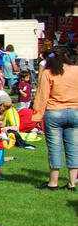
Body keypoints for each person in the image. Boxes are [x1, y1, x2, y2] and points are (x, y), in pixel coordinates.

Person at [32, 48, 78, 190]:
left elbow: (42, 95)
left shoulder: (48, 72)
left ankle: (53, 182)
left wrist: (37, 115)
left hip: (54, 112)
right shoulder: (76, 70)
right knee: (74, 149)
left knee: (54, 149)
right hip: (75, 111)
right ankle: (72, 183)